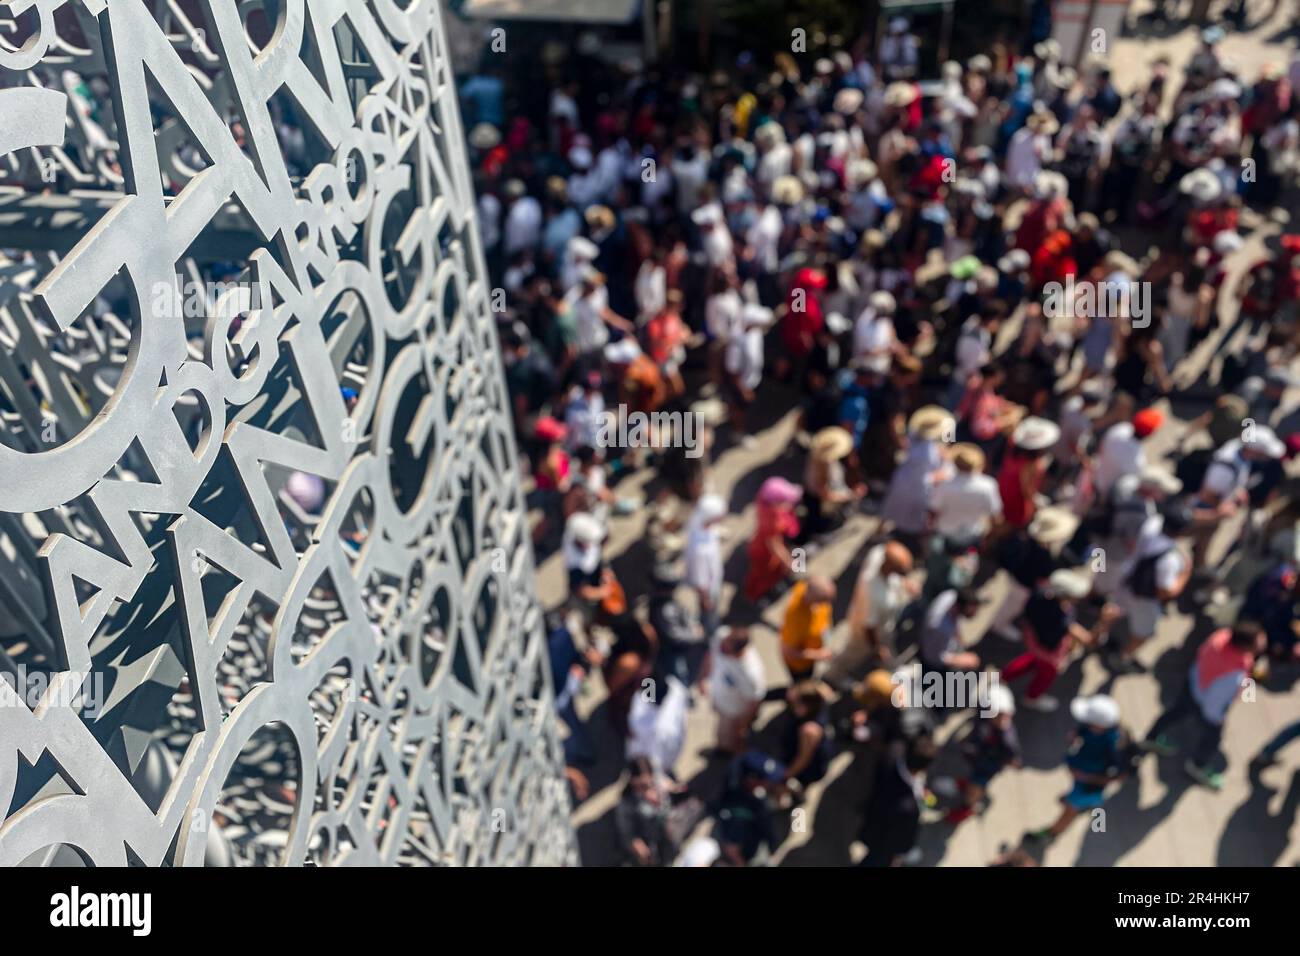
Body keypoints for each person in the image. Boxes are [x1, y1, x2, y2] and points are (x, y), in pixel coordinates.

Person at [1141, 624, 1266, 790]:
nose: (1263, 644)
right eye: (1258, 642)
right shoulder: (1234, 675)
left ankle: (1151, 738)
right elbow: (1215, 702)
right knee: (1212, 738)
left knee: (1175, 712)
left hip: (1195, 681)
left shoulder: (1222, 636)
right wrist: (1217, 720)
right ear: (1245, 646)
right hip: (1206, 698)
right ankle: (1197, 766)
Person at [1001, 570, 1120, 712]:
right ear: (1065, 596)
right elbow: (1090, 641)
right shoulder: (1061, 619)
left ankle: (1003, 677)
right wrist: (1105, 622)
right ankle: (1031, 698)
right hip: (1048, 650)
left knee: (1030, 660)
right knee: (1046, 674)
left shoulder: (1039, 594)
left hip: (1033, 639)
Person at [1028, 694, 1131, 844]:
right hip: (1082, 775)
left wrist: (1086, 777)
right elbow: (1083, 729)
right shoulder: (1094, 728)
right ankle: (1086, 805)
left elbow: (1121, 776)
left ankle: (1051, 833)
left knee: (1070, 811)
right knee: (1079, 802)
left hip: (1089, 785)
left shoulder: (1116, 746)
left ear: (1100, 725)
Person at [946, 684, 1022, 824]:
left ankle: (968, 807)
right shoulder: (985, 716)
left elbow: (1012, 760)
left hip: (987, 767)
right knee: (972, 780)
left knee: (976, 787)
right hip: (977, 759)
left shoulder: (1007, 740)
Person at [859, 735, 937, 867]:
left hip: (872, 818)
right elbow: (902, 840)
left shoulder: (892, 753)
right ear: (924, 768)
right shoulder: (909, 808)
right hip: (883, 842)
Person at [703, 626, 767, 754]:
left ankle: (728, 753)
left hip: (733, 713)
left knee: (728, 738)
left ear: (738, 652)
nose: (721, 647)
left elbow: (754, 702)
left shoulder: (750, 674)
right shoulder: (722, 635)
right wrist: (702, 677)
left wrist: (743, 726)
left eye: (726, 647)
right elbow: (711, 653)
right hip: (719, 698)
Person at [714, 751, 782, 866]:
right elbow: (732, 848)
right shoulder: (736, 804)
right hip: (746, 849)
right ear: (752, 780)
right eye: (766, 780)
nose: (770, 783)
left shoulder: (744, 765)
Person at [743, 476, 802, 603]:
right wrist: (789, 562)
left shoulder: (763, 500)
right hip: (764, 554)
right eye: (784, 502)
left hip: (759, 544)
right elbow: (775, 546)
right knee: (763, 576)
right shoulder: (772, 522)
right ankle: (754, 596)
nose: (788, 505)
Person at [917, 587, 984, 681]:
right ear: (959, 607)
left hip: (937, 642)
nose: (975, 613)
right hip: (930, 659)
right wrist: (963, 660)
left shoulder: (950, 595)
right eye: (972, 610)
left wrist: (960, 639)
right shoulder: (941, 628)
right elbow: (938, 657)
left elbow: (954, 622)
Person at [684, 494, 727, 638]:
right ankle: (710, 633)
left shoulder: (699, 524)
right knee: (709, 612)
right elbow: (700, 581)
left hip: (712, 576)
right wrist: (706, 599)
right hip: (709, 588)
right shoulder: (700, 549)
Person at [780, 577, 835, 681]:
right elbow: (789, 652)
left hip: (814, 649)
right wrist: (818, 655)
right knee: (803, 683)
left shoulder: (804, 588)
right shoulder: (795, 621)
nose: (827, 605)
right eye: (823, 601)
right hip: (801, 666)